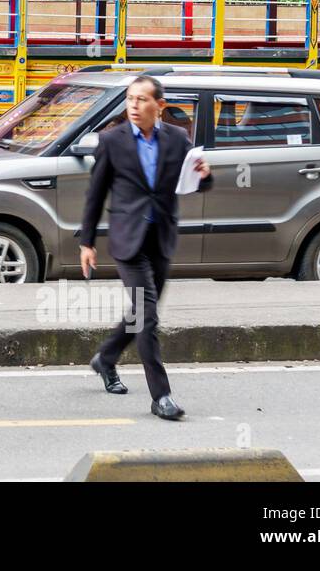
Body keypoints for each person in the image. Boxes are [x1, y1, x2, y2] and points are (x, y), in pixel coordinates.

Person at [79, 74, 212, 420]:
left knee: (140, 314)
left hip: (161, 238)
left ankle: (105, 359)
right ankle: (161, 396)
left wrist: (205, 174)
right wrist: (87, 242)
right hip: (127, 241)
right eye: (130, 99)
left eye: (141, 100)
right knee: (148, 316)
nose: (134, 106)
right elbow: (95, 194)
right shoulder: (112, 141)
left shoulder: (178, 139)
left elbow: (195, 183)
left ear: (160, 105)